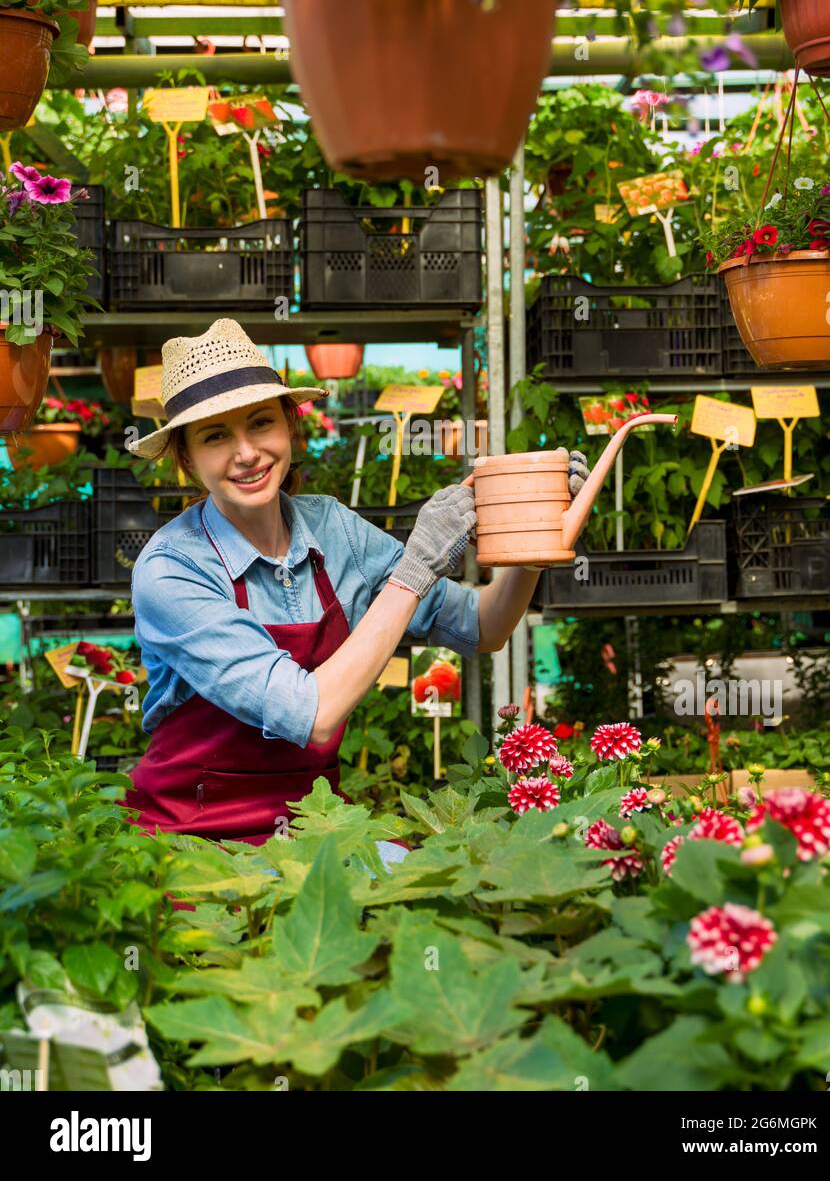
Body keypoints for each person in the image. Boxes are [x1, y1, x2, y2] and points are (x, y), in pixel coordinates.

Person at [120, 318, 588, 861]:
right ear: (186, 457)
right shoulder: (172, 568)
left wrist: (534, 533)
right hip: (196, 843)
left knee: (433, 890)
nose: (246, 453)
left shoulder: (334, 530)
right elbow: (313, 717)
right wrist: (412, 571)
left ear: (291, 426)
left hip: (315, 827)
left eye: (260, 423)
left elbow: (485, 626)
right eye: (215, 435)